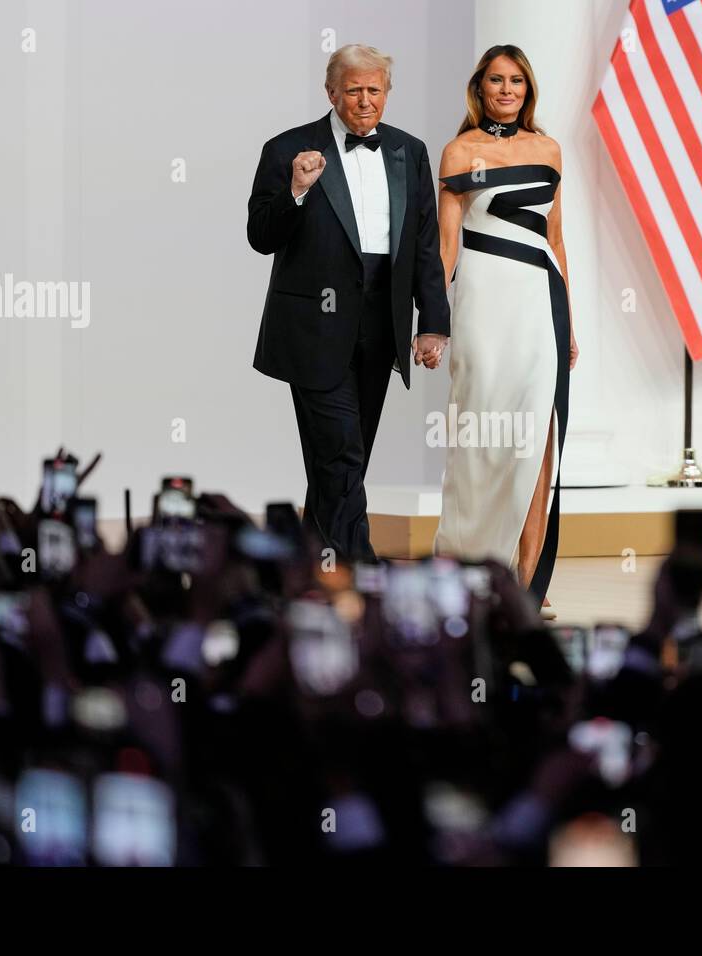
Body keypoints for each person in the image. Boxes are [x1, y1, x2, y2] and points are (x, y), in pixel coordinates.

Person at [247, 44, 450, 562]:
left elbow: (425, 244)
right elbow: (261, 235)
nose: (364, 101)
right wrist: (296, 189)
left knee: (341, 458)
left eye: (374, 90)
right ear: (331, 92)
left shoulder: (411, 151)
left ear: (387, 93)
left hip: (381, 322)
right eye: (353, 90)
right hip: (313, 326)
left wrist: (433, 323)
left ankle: (311, 570)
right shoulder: (287, 148)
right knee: (341, 452)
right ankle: (362, 571)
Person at [432, 45, 577, 619]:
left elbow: (557, 238)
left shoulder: (548, 149)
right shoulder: (459, 151)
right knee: (480, 437)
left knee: (539, 440)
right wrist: (434, 321)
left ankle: (528, 586)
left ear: (528, 89)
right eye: (497, 80)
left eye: (517, 80)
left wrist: (571, 320)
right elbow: (446, 245)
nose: (507, 89)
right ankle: (468, 571)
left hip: (542, 302)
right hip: (482, 306)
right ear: (480, 87)